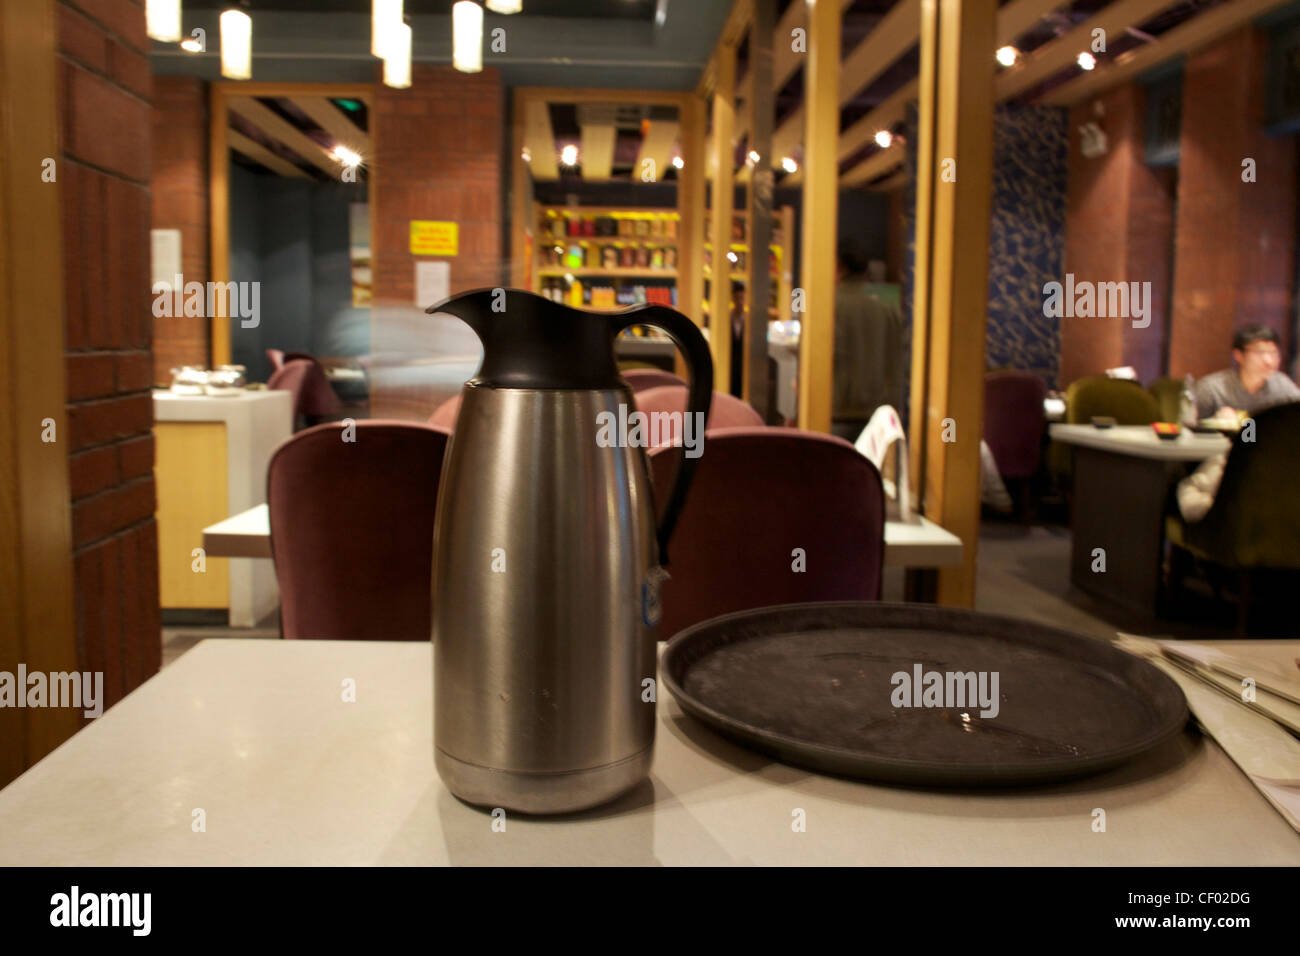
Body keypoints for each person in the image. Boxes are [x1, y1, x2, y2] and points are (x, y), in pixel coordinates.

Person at [831, 242, 903, 441]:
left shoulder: (828, 307)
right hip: (878, 419)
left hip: (835, 413)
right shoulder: (888, 310)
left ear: (839, 268)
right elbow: (898, 364)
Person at [1193, 325, 1300, 420]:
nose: (1268, 361)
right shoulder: (1212, 388)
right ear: (1238, 355)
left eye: (1273, 353)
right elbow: (1190, 427)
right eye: (1260, 352)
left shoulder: (1282, 385)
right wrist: (1216, 419)